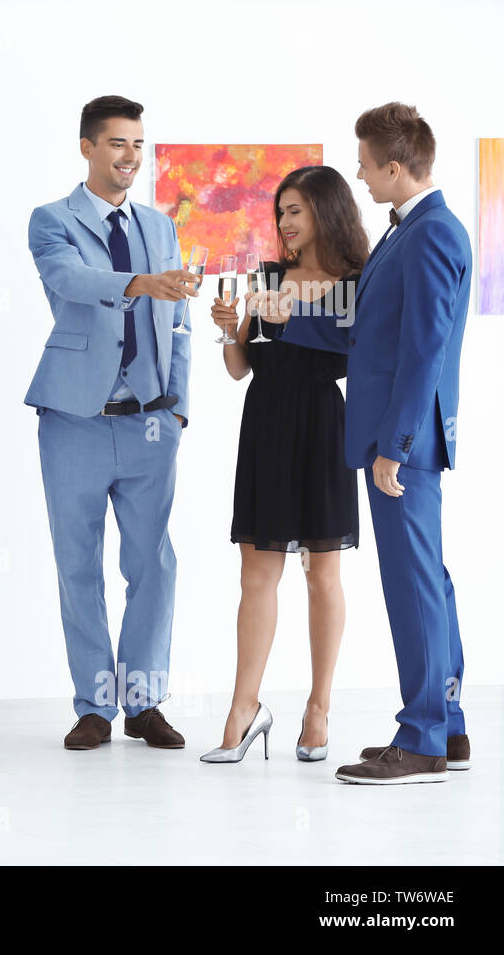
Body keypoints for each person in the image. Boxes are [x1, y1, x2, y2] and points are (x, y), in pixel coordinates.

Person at [281, 104, 472, 785]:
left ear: (395, 167)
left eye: (364, 164)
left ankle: (420, 739)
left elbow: (426, 349)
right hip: (400, 440)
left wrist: (395, 444)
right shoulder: (410, 232)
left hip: (404, 446)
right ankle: (445, 728)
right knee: (430, 581)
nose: (358, 175)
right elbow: (368, 336)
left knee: (412, 584)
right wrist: (281, 319)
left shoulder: (432, 234)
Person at [26, 95, 196, 752]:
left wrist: (178, 404)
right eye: (117, 144)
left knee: (155, 564)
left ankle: (144, 703)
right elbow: (69, 280)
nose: (130, 157)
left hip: (152, 424)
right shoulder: (52, 220)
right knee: (79, 566)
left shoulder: (161, 225)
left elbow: (178, 324)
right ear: (87, 147)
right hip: (74, 419)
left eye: (138, 145)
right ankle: (94, 706)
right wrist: (138, 284)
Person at [199, 166, 366, 764]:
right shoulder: (266, 276)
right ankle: (244, 709)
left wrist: (290, 317)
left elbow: (356, 353)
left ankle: (318, 708)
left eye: (296, 210)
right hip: (266, 422)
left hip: (323, 424)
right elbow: (240, 368)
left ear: (327, 212)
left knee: (322, 573)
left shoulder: (355, 280)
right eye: (281, 212)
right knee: (255, 575)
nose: (285, 223)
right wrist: (230, 331)